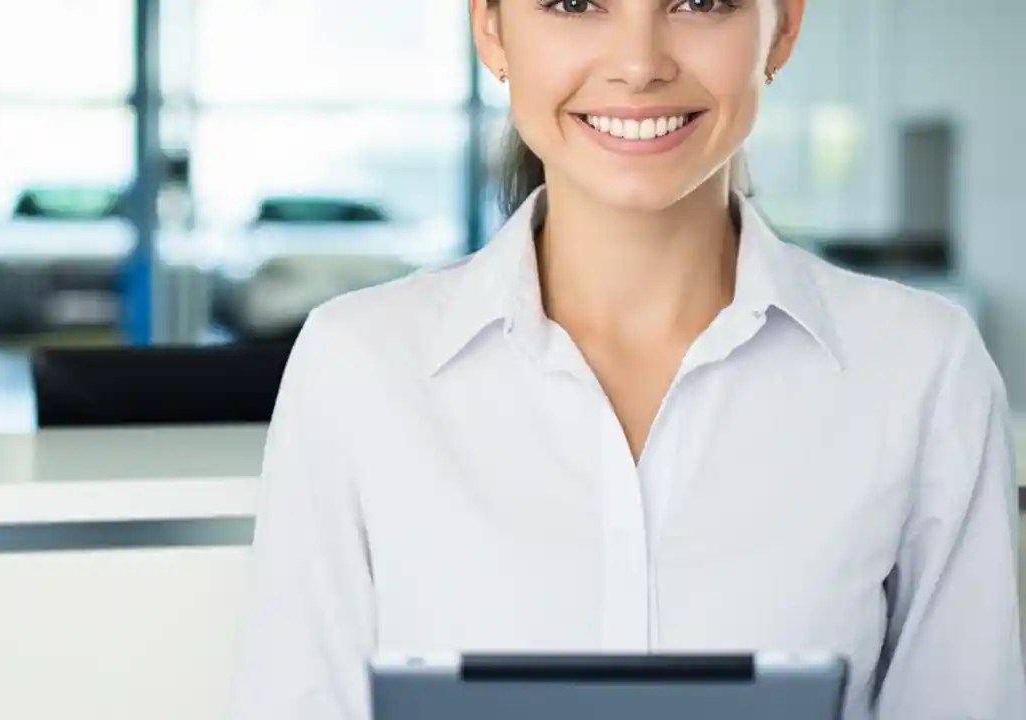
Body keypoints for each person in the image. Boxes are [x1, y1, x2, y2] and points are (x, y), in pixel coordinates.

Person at [228, 1, 1026, 718]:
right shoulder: (358, 367)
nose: (639, 62)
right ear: (492, 28)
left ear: (781, 28)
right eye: (575, 3)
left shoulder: (919, 369)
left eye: (701, 2)